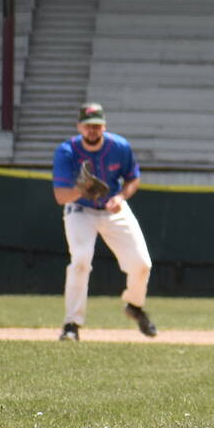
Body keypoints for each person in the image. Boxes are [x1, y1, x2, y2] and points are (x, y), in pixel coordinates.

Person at [51, 102, 157, 342]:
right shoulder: (67, 151)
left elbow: (133, 179)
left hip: (112, 208)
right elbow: (60, 197)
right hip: (80, 209)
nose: (93, 130)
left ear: (104, 126)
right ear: (79, 127)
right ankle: (71, 325)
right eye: (88, 125)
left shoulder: (119, 146)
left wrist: (120, 197)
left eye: (97, 125)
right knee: (80, 260)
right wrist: (82, 190)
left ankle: (134, 306)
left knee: (142, 264)